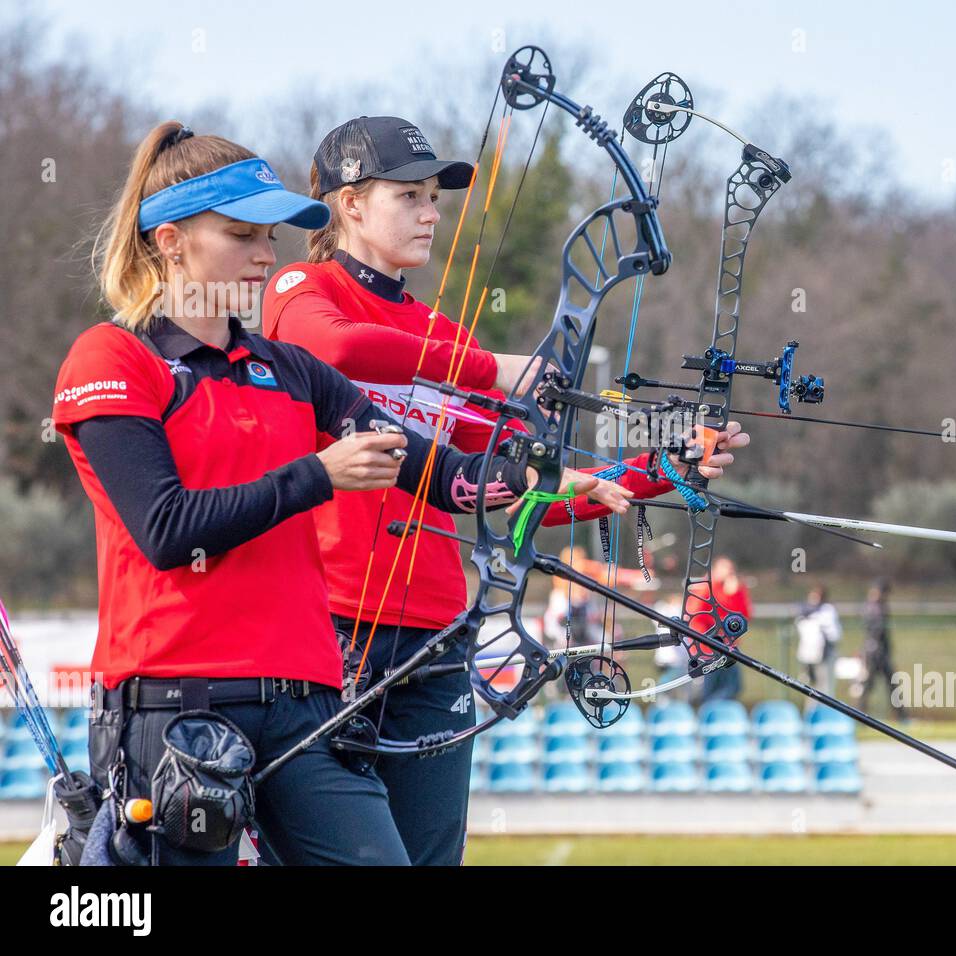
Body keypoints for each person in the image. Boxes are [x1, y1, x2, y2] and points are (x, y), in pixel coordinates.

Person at [53, 121, 629, 866]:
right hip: (174, 707)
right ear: (169, 240)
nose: (266, 255)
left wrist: (544, 478)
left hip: (302, 708)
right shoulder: (114, 357)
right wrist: (317, 477)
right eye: (242, 235)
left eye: (272, 236)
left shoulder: (290, 370)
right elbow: (166, 530)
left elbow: (443, 476)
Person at [260, 115, 750, 864]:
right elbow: (332, 348)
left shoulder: (441, 335)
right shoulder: (304, 291)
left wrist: (661, 467)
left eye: (435, 197)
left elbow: (511, 488)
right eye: (410, 195)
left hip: (431, 639)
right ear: (351, 203)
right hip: (327, 630)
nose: (431, 212)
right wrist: (489, 368)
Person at [688, 557, 751, 704]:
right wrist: (717, 585)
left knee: (733, 687)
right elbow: (697, 613)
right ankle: (708, 711)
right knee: (708, 689)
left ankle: (717, 710)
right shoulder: (706, 587)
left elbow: (743, 617)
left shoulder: (733, 589)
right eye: (726, 569)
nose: (730, 573)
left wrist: (736, 593)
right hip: (707, 649)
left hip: (728, 649)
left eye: (731, 570)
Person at [860, 579, 907, 721]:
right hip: (875, 653)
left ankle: (902, 716)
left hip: (882, 652)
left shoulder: (880, 606)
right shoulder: (873, 608)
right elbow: (875, 631)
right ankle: (860, 715)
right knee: (868, 685)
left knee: (890, 685)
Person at [795, 586, 841, 694]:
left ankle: (825, 710)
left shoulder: (828, 611)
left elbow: (834, 634)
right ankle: (811, 710)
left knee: (825, 688)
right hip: (809, 656)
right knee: (810, 688)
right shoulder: (804, 613)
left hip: (825, 656)